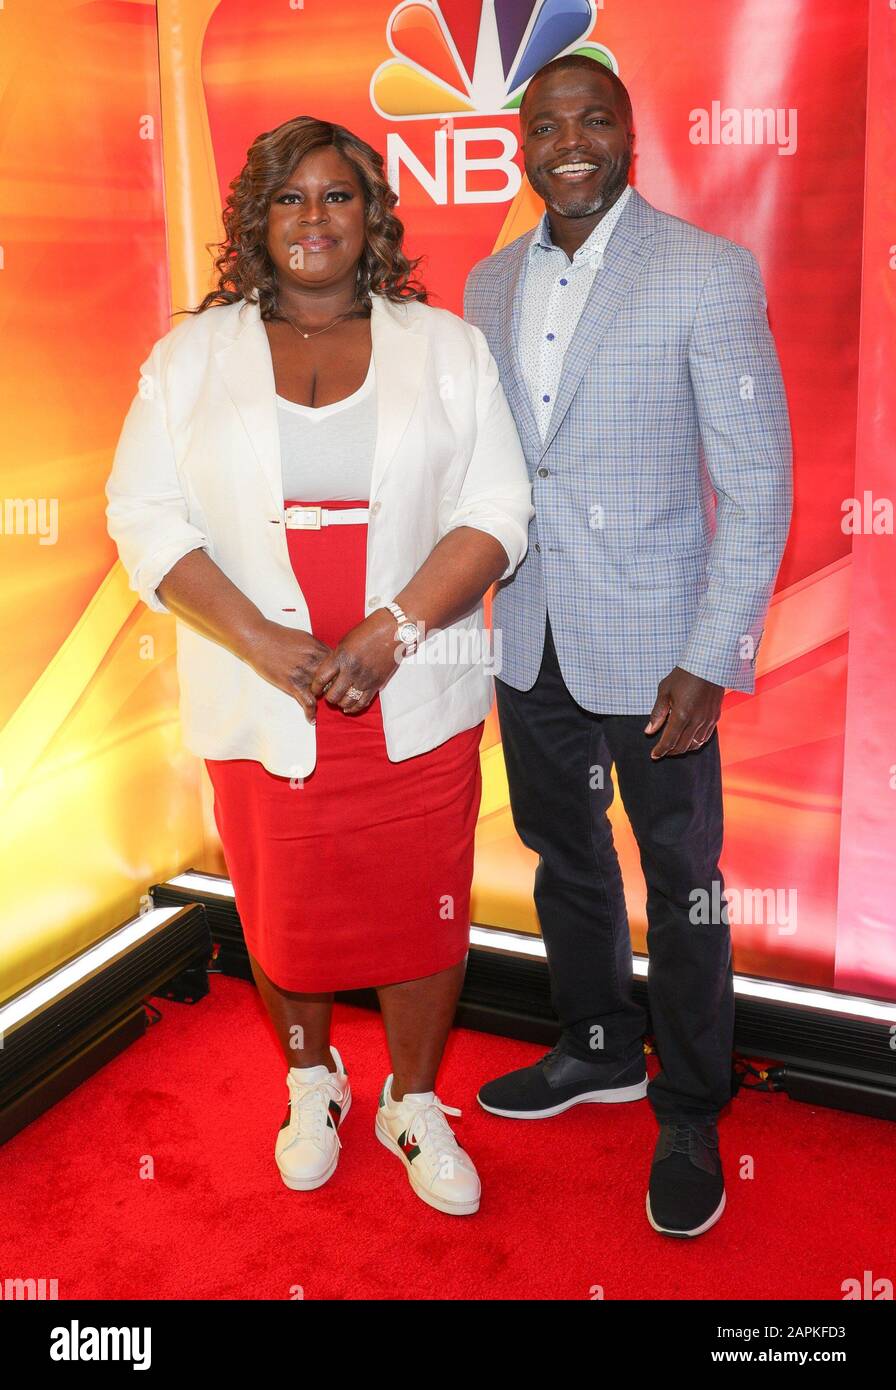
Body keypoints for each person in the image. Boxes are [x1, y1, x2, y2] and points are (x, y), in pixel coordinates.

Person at [106, 116, 533, 1218]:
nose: (312, 219)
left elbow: (498, 506)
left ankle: (413, 1097)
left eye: (336, 196)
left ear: (370, 215)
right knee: (283, 908)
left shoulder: (443, 346)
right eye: (289, 198)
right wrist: (259, 641)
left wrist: (391, 629)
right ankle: (312, 1079)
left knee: (422, 911)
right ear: (257, 219)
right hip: (259, 693)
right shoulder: (187, 358)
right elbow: (142, 516)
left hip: (417, 679)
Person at [464, 56, 792, 1238]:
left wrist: (713, 654)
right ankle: (597, 1042)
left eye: (590, 119)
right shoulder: (487, 282)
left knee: (685, 884)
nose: (566, 141)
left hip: (662, 654)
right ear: (520, 144)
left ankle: (693, 1099)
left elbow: (756, 483)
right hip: (531, 634)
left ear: (628, 135)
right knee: (563, 856)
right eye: (543, 123)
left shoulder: (703, 273)